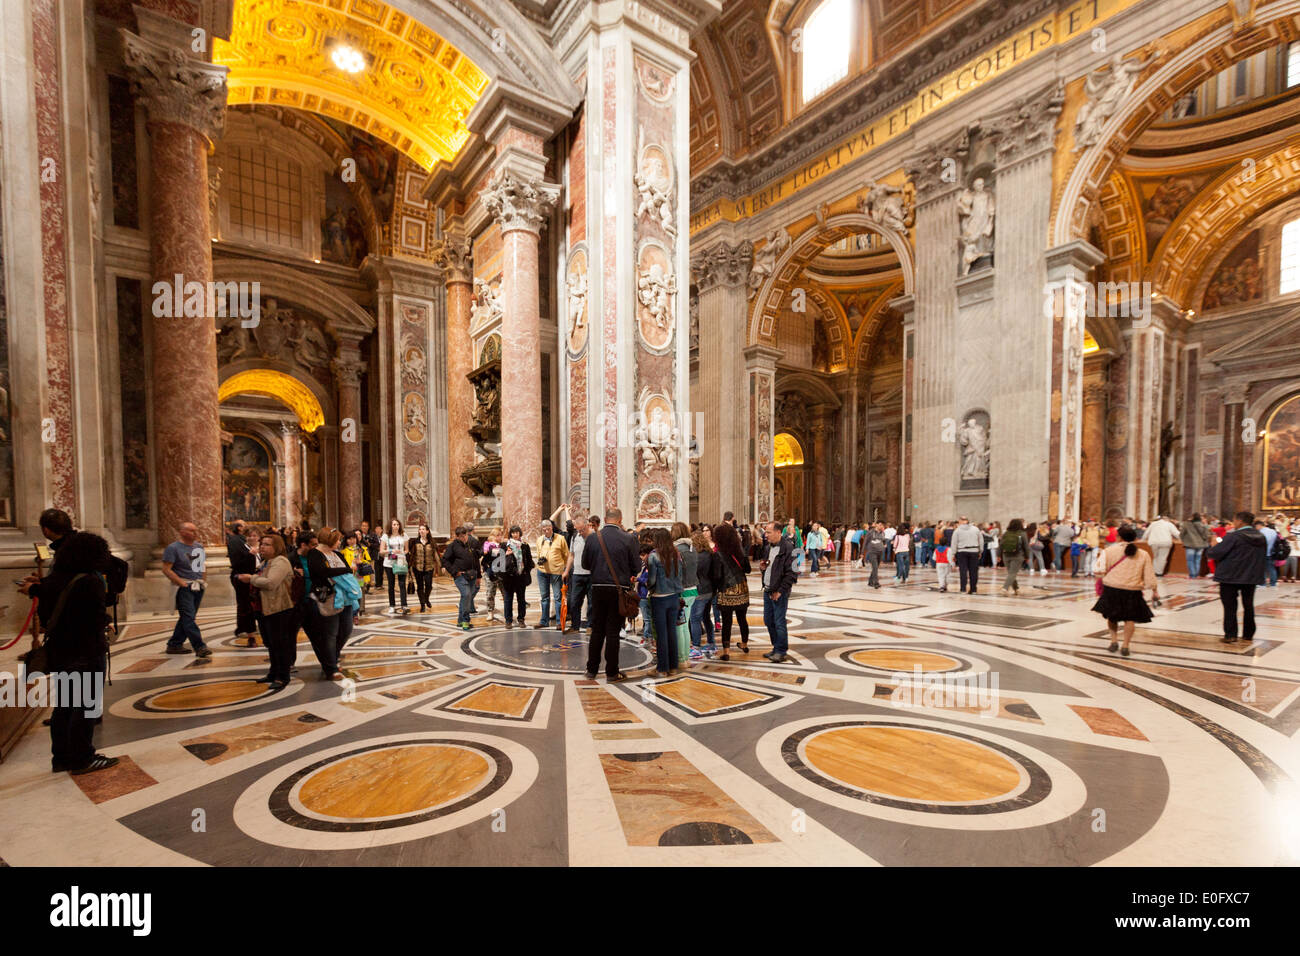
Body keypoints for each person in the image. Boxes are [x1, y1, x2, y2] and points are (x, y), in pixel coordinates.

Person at [583, 507, 639, 681]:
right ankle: (612, 672)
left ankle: (591, 670)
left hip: (597, 588)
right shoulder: (628, 538)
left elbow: (585, 564)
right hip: (618, 590)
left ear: (605, 519)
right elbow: (636, 567)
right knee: (613, 632)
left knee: (597, 630)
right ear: (620, 520)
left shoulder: (593, 538)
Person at [240, 533, 295, 690]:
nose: (262, 547)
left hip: (279, 608)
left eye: (267, 544)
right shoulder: (266, 562)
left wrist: (250, 578)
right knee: (271, 643)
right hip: (264, 608)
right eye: (262, 544)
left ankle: (283, 676)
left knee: (280, 643)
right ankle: (273, 672)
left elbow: (271, 583)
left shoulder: (281, 561)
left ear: (276, 547)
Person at [1092, 524, 1156, 656]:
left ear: (1119, 537)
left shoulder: (1108, 551)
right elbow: (1149, 575)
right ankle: (1126, 645)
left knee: (1112, 616)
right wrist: (1154, 590)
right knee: (1130, 618)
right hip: (1132, 590)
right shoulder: (1143, 554)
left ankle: (1114, 641)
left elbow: (1098, 570)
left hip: (1112, 588)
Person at [302, 527, 358, 680]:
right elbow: (320, 572)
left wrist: (339, 571)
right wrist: (341, 571)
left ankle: (333, 657)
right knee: (330, 634)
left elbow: (347, 569)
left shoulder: (337, 554)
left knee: (346, 630)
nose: (340, 542)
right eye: (337, 539)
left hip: (344, 598)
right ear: (329, 539)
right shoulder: (315, 553)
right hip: (327, 598)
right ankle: (331, 667)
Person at [1206, 512, 1268, 644]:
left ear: (1240, 521)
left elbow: (1215, 553)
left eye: (1234, 520)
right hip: (1251, 576)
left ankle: (1231, 634)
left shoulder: (1234, 536)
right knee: (1248, 605)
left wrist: (1213, 546)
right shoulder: (1261, 537)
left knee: (1230, 606)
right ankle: (1248, 634)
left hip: (1230, 576)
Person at [162, 521, 211, 657]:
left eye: (195, 530)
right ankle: (200, 646)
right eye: (191, 531)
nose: (195, 533)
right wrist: (181, 582)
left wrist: (203, 580)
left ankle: (174, 644)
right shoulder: (173, 548)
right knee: (188, 617)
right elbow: (166, 569)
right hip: (183, 587)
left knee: (187, 617)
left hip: (198, 585)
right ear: (182, 532)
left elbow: (200, 566)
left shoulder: (198, 547)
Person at [645, 527, 684, 677]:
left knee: (661, 634)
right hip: (674, 597)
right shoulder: (676, 553)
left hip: (659, 598)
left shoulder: (654, 556)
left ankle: (662, 668)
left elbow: (653, 579)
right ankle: (673, 666)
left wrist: (647, 585)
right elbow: (679, 576)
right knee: (671, 632)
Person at [759, 521, 798, 664]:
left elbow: (793, 573)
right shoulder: (768, 547)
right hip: (768, 589)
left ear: (778, 532)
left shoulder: (790, 549)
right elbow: (769, 566)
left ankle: (781, 651)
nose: (766, 535)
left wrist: (781, 591)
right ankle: (776, 647)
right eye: (765, 532)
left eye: (768, 532)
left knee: (779, 621)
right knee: (768, 620)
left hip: (779, 592)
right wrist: (763, 568)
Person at [713, 521, 751, 659]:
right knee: (742, 619)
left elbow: (716, 575)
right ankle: (745, 643)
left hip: (726, 590)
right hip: (742, 588)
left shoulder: (718, 554)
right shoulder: (739, 550)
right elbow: (748, 569)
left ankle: (726, 652)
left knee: (727, 622)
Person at [442, 524, 481, 630]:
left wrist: (479, 576)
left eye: (465, 536)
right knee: (467, 594)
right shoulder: (452, 546)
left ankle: (460, 620)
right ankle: (465, 621)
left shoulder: (471, 544)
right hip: (461, 576)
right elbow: (445, 560)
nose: (464, 538)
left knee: (466, 597)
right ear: (457, 537)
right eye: (461, 537)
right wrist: (454, 572)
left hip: (472, 574)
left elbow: (476, 560)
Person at [226, 520, 258, 645]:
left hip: (255, 578)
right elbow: (237, 563)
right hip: (243, 578)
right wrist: (250, 555)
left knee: (247, 605)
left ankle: (242, 627)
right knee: (246, 605)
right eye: (249, 535)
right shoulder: (239, 543)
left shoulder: (256, 547)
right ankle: (250, 633)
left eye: (254, 535)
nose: (251, 537)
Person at [534, 518, 570, 630]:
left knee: (558, 598)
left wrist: (565, 570)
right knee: (544, 597)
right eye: (544, 529)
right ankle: (544, 621)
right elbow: (539, 553)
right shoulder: (540, 539)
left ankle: (560, 622)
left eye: (548, 528)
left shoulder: (560, 538)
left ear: (552, 528)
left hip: (557, 572)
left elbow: (567, 555)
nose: (546, 531)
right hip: (542, 571)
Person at [690, 530, 719, 657]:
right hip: (709, 589)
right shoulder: (711, 554)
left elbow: (694, 573)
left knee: (695, 618)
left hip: (699, 590)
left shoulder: (697, 556)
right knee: (706, 617)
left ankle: (696, 646)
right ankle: (711, 643)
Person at [500, 525, 534, 628]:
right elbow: (499, 561)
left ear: (520, 533)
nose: (515, 534)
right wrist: (505, 554)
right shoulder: (505, 545)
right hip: (508, 577)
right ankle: (508, 620)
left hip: (520, 577)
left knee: (521, 599)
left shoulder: (524, 545)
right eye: (513, 532)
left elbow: (529, 560)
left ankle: (521, 619)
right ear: (510, 534)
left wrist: (526, 571)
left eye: (517, 532)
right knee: (508, 599)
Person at [563, 514, 592, 634]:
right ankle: (575, 626)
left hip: (591, 575)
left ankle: (590, 626)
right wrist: (566, 571)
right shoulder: (575, 537)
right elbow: (571, 555)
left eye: (582, 529)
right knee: (574, 602)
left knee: (591, 603)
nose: (580, 532)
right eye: (578, 530)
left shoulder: (594, 537)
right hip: (577, 574)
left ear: (587, 526)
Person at [378, 519, 409, 613]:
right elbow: (381, 551)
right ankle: (392, 605)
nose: (396, 526)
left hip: (400, 561)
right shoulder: (385, 536)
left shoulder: (404, 535)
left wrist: (402, 553)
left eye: (397, 524)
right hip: (389, 563)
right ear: (390, 526)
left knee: (402, 584)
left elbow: (407, 550)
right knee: (391, 585)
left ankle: (404, 605)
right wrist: (391, 551)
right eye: (394, 524)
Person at [950, 516, 984, 594]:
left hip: (962, 552)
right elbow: (981, 541)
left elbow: (954, 543)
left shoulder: (957, 531)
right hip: (974, 551)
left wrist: (953, 554)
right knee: (974, 571)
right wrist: (980, 551)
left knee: (963, 571)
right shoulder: (976, 529)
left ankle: (963, 589)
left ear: (960, 522)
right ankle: (973, 589)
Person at [409, 523, 438, 612]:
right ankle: (422, 604)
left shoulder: (432, 543)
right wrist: (409, 567)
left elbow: (436, 555)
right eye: (420, 529)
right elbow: (411, 555)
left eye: (423, 529)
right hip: (417, 568)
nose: (421, 531)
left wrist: (442, 566)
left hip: (429, 567)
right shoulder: (414, 542)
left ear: (427, 531)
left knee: (429, 585)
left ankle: (426, 599)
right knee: (420, 586)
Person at [1000, 519, 1029, 594]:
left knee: (1011, 573)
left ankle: (1016, 588)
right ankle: (1005, 588)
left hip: (1006, 555)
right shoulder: (1022, 533)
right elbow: (1026, 546)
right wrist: (1027, 557)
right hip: (1018, 556)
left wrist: (998, 555)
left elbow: (1000, 545)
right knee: (1012, 573)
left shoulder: (1006, 533)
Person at [1179, 513, 1211, 579]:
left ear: (1192, 517)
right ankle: (1196, 574)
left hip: (1190, 544)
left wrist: (1184, 540)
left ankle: (1192, 575)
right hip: (1201, 545)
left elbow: (1181, 534)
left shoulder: (1187, 524)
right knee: (1197, 560)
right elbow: (1206, 535)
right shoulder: (1203, 525)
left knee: (1190, 560)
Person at [481, 531, 503, 622]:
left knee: (505, 593)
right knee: (490, 593)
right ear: (492, 536)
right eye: (497, 535)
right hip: (490, 572)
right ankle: (490, 612)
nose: (499, 537)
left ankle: (508, 612)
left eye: (500, 535)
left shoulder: (503, 545)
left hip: (502, 573)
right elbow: (485, 553)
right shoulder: (488, 545)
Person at [862, 522, 886, 588]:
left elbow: (883, 540)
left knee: (876, 568)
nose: (881, 526)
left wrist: (884, 545)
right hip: (872, 552)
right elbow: (865, 542)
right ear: (876, 525)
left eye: (882, 525)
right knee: (875, 567)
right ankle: (876, 583)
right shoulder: (870, 532)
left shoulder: (883, 533)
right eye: (880, 525)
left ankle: (870, 581)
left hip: (880, 552)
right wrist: (862, 553)